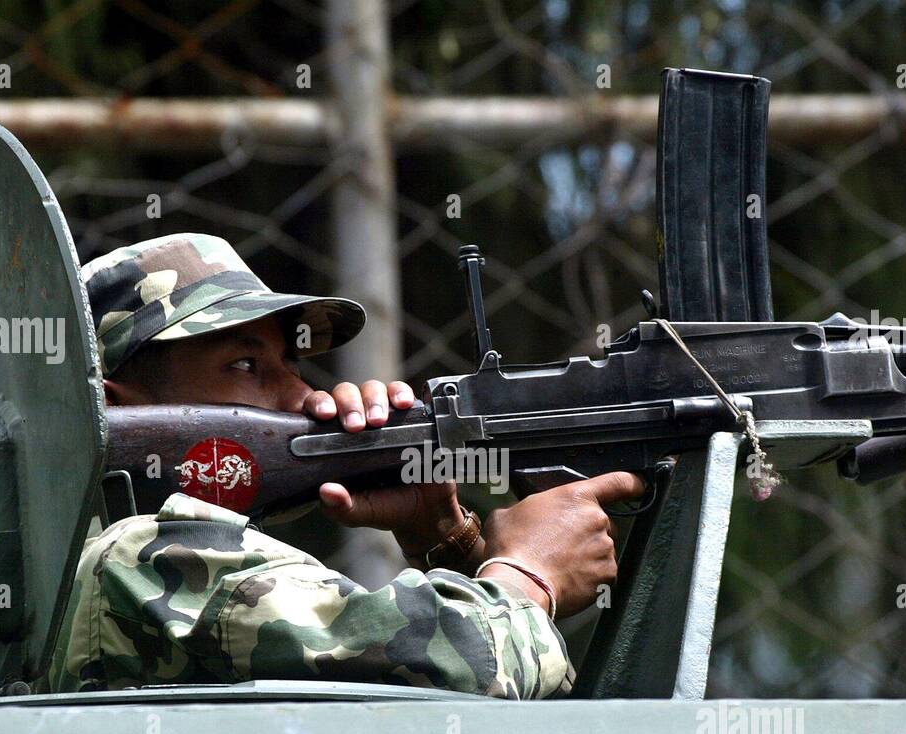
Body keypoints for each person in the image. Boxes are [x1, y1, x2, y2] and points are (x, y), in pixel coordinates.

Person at [43, 233, 641, 698]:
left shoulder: (84, 571)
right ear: (117, 415)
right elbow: (469, 671)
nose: (303, 396)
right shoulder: (137, 558)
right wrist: (530, 572)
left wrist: (446, 542)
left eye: (290, 362)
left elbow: (472, 723)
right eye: (245, 366)